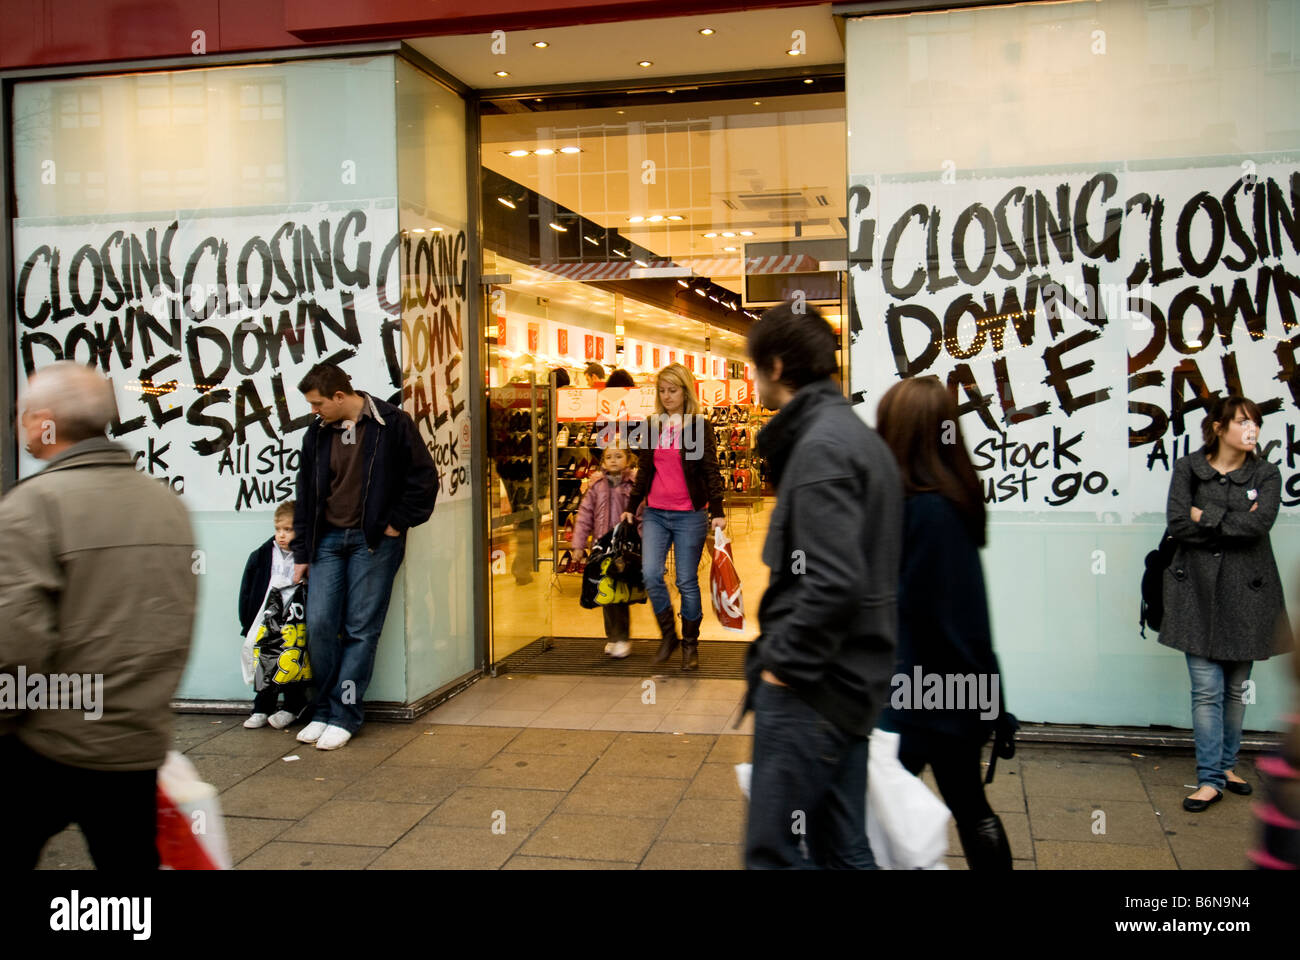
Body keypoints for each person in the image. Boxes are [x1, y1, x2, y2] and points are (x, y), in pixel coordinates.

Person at [0, 361, 197, 869]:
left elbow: (14, 643)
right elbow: (173, 622)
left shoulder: (33, 506)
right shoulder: (165, 503)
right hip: (136, 742)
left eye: (23, 415)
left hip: (49, 744)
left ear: (45, 420)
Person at [740, 302, 902, 869]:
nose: (753, 379)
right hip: (849, 681)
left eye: (754, 367)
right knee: (843, 849)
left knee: (774, 854)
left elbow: (831, 581)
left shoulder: (821, 448)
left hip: (813, 688)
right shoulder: (850, 436)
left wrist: (782, 665)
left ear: (777, 367)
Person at [875, 375, 1011, 869]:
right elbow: (971, 620)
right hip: (947, 691)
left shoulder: (926, 511)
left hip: (922, 693)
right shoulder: (942, 501)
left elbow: (945, 618)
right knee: (967, 804)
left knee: (893, 807)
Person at [292, 362, 438, 751]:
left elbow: (424, 478)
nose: (314, 410)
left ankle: (345, 714)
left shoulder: (393, 424)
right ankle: (321, 709)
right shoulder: (317, 433)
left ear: (341, 396)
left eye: (318, 403)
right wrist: (301, 551)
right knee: (320, 623)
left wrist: (396, 524)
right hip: (326, 540)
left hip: (373, 541)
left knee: (361, 629)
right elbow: (305, 493)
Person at [1160, 396, 1292, 811]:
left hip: (1248, 593)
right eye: (1241, 422)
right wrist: (1216, 520)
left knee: (1235, 690)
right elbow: (1178, 522)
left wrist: (1207, 515)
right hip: (1194, 590)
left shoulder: (1267, 473)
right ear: (1217, 427)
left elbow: (1259, 524)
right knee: (1206, 690)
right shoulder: (1188, 468)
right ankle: (1210, 778)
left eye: (1255, 422)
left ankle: (1228, 764)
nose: (1251, 429)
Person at [621, 363, 725, 671]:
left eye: (673, 390)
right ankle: (669, 636)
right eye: (662, 391)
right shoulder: (652, 425)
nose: (667, 397)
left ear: (685, 391)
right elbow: (644, 469)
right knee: (651, 574)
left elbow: (710, 468)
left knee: (686, 580)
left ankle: (690, 645)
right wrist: (633, 503)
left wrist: (717, 510)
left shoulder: (698, 425)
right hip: (655, 513)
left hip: (690, 515)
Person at [239, 500, 310, 729]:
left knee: (291, 660)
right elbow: (247, 590)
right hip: (266, 619)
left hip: (294, 620)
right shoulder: (261, 555)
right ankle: (262, 706)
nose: (281, 535)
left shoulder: (308, 557)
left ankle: (293, 705)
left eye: (288, 530)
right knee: (263, 662)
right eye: (278, 529)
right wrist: (248, 622)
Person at [571, 443, 645, 658]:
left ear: (629, 460)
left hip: (624, 549)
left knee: (619, 595)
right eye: (609, 457)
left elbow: (642, 516)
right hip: (602, 548)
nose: (613, 460)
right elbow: (584, 516)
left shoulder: (634, 486)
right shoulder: (596, 487)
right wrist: (578, 544)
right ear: (602, 462)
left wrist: (644, 542)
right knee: (605, 593)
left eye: (618, 456)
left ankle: (621, 637)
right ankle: (612, 637)